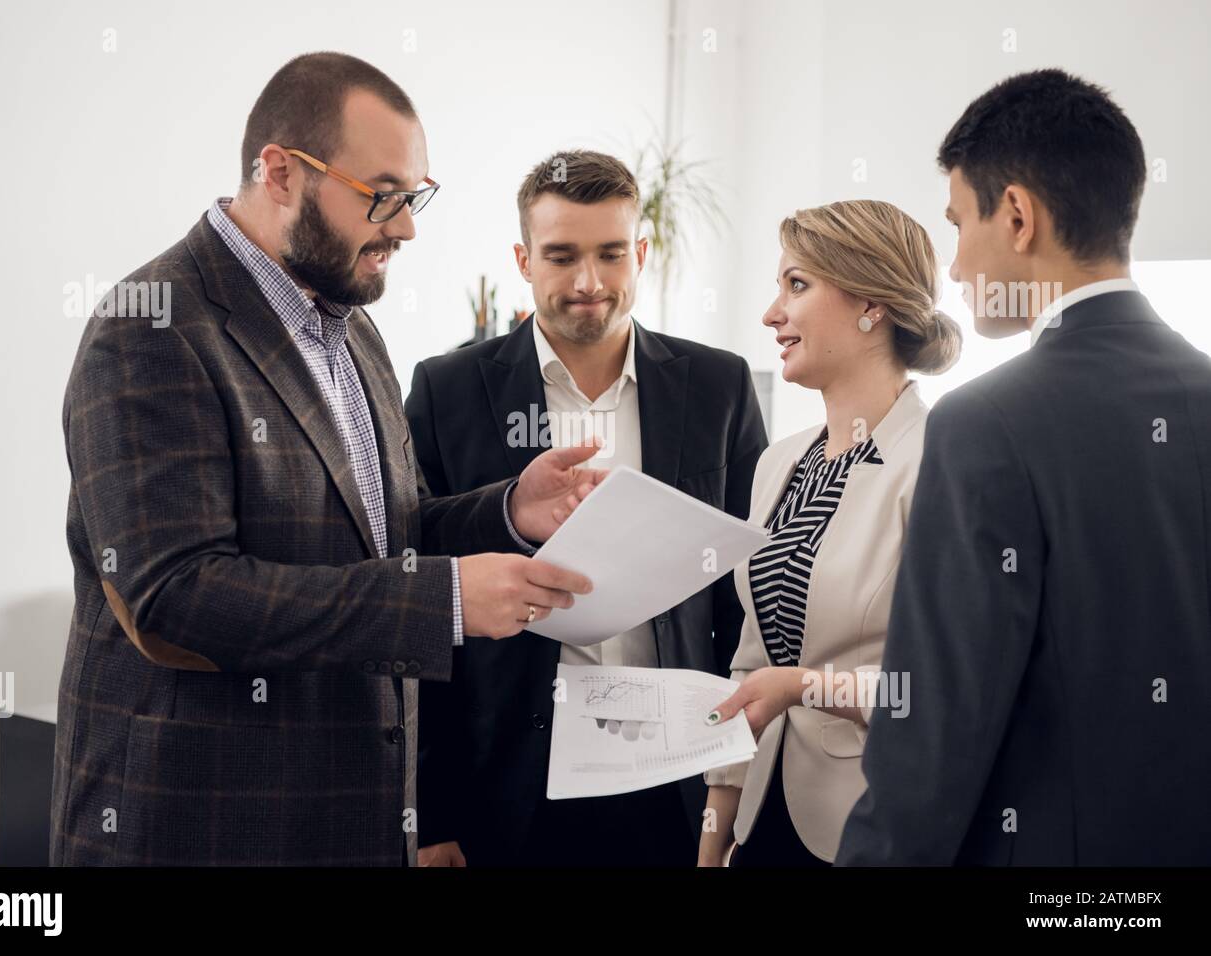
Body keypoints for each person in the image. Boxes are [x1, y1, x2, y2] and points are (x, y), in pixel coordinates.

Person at [51, 52, 603, 867]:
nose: (407, 226)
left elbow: (387, 533)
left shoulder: (351, 327)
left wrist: (507, 510)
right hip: (203, 830)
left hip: (354, 819)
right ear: (279, 172)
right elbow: (175, 595)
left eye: (414, 197)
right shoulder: (151, 326)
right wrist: (442, 601)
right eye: (382, 194)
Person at [837, 69, 1211, 865]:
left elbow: (932, 736)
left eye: (957, 223)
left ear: (1016, 216)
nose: (955, 268)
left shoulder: (985, 424)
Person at [407, 149, 768, 866]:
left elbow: (745, 595)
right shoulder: (447, 389)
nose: (588, 282)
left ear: (640, 252)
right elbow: (419, 589)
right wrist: (434, 812)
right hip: (507, 781)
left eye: (610, 254)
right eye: (562, 255)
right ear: (523, 258)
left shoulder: (718, 385)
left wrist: (731, 790)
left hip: (674, 773)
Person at [700, 200, 961, 866]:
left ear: (870, 304)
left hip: (873, 826)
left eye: (796, 284)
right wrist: (713, 839)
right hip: (762, 826)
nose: (770, 313)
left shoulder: (940, 463)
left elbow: (940, 686)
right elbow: (751, 665)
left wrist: (802, 686)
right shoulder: (778, 464)